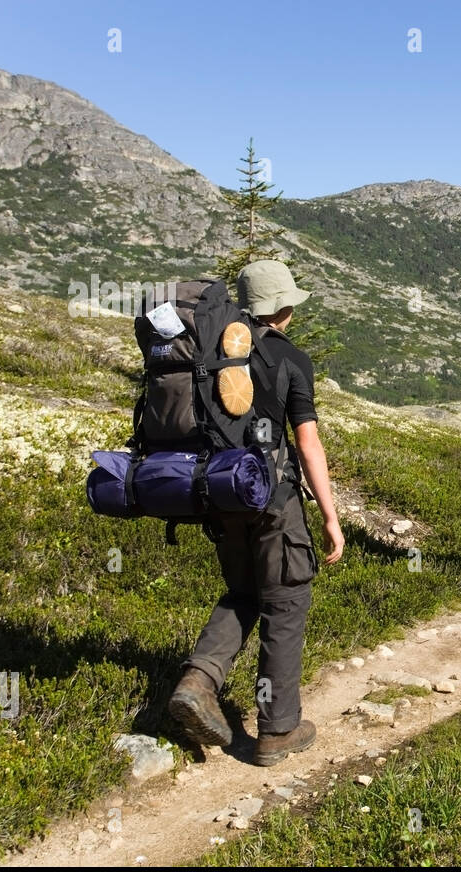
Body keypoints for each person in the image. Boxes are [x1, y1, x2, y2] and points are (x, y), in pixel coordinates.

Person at [168, 260, 345, 767]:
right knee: (285, 603)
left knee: (243, 593)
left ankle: (199, 681)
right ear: (284, 308)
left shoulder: (212, 348)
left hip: (219, 495)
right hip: (272, 499)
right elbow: (307, 443)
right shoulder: (289, 358)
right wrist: (330, 516)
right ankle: (277, 729)